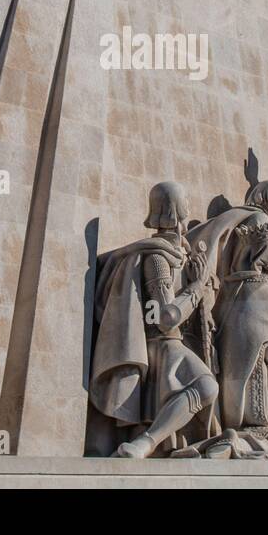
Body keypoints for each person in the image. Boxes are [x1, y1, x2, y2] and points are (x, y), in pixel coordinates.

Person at [91, 181, 219, 458]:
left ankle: (168, 444)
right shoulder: (158, 257)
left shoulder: (178, 255)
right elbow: (167, 316)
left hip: (173, 342)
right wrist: (196, 288)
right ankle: (144, 444)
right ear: (181, 211)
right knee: (206, 386)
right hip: (160, 342)